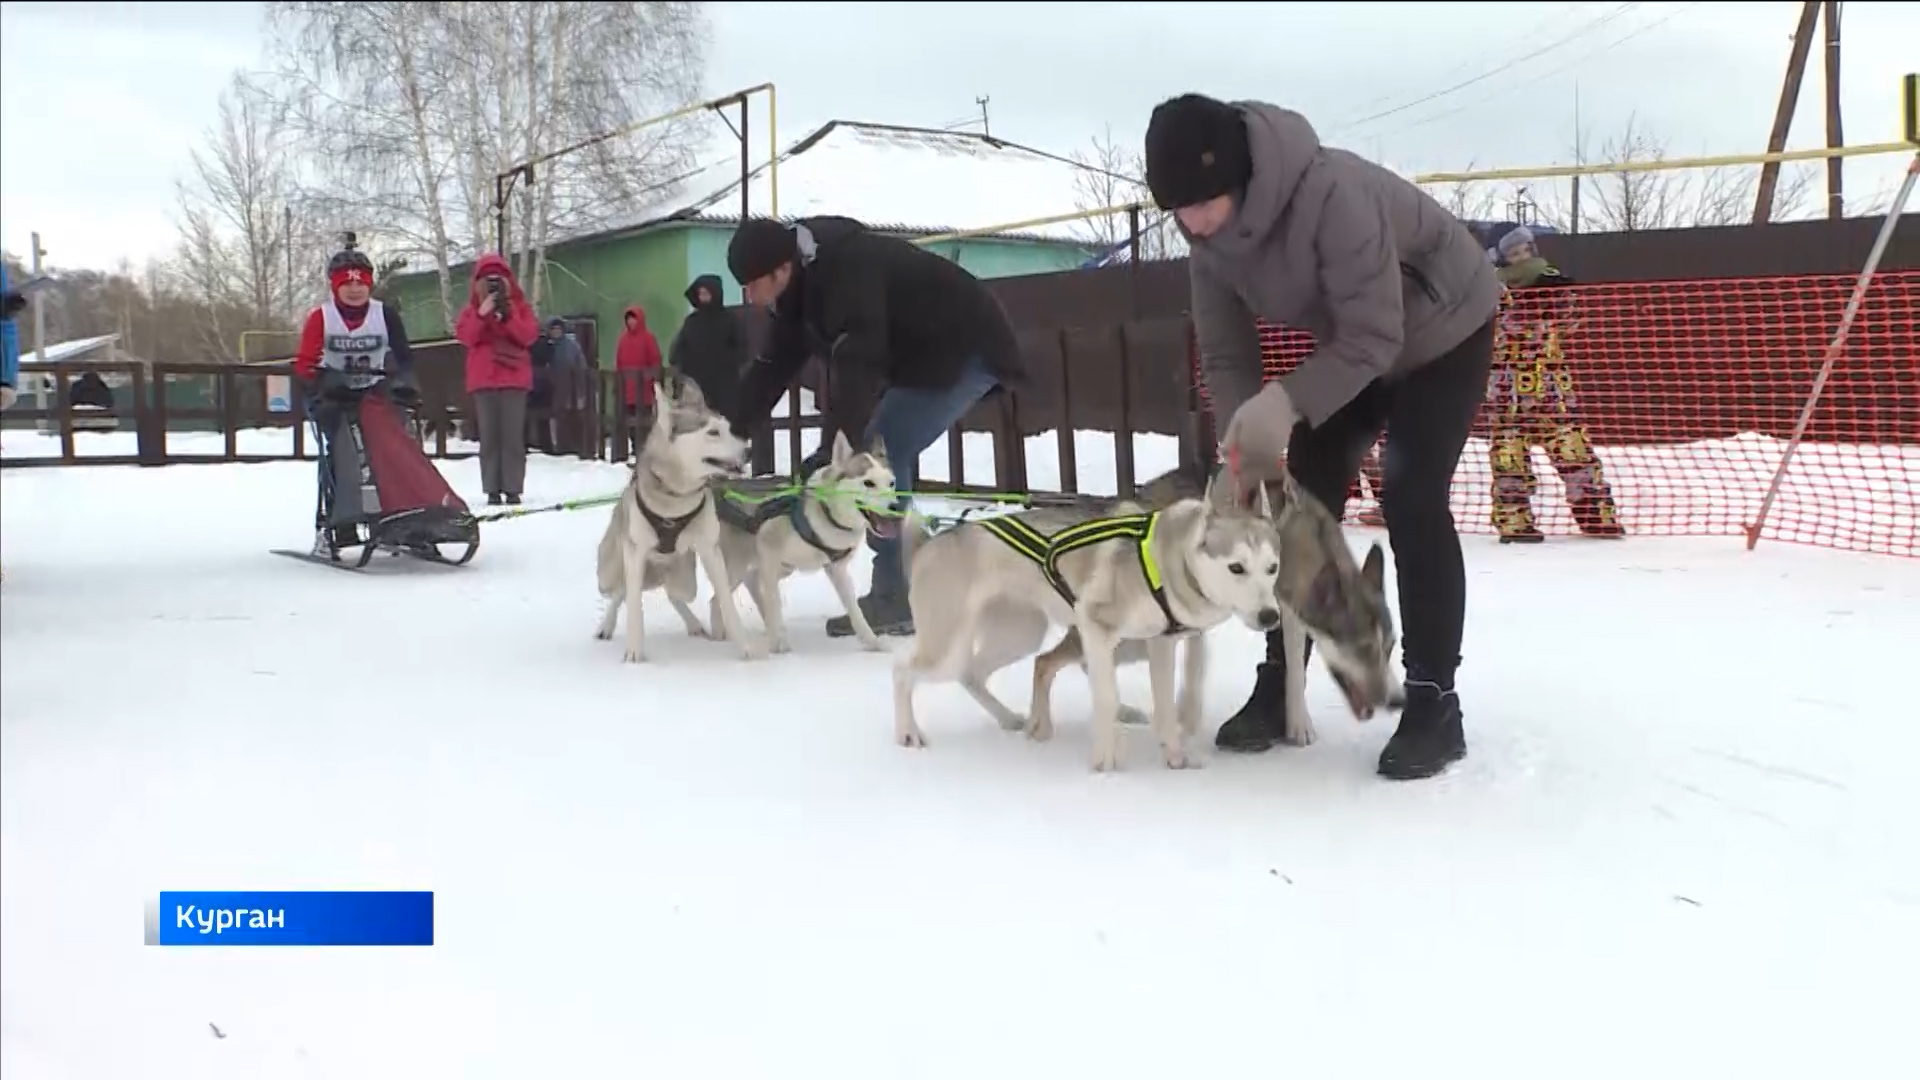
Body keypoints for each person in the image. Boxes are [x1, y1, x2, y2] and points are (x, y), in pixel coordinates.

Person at [1144, 93, 1504, 781]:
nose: (1191, 223)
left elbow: (1379, 331)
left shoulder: (1331, 194)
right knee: (1298, 501)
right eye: (1177, 210)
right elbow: (1225, 356)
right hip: (1358, 345)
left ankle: (1434, 699)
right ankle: (1284, 684)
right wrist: (1242, 444)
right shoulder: (1206, 243)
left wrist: (1284, 404)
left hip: (1444, 328)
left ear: (1241, 179)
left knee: (1411, 493)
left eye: (1201, 202)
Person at [723, 214, 1024, 638]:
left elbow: (858, 365)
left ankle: (894, 595)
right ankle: (910, 581)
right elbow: (771, 370)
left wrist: (835, 452)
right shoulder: (795, 298)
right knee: (882, 445)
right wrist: (725, 434)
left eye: (753, 284)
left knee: (885, 447)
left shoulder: (845, 269)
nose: (748, 295)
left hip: (965, 343)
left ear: (782, 269)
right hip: (920, 358)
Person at [1486, 225, 1623, 543]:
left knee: (1574, 448)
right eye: (1514, 253)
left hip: (1551, 386)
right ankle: (1513, 519)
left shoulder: (1548, 278)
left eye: (1525, 250)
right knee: (1509, 455)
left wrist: (1558, 299)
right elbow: (1492, 333)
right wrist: (1520, 311)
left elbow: (1571, 322)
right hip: (1508, 390)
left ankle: (1595, 513)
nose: (1522, 258)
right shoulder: (1490, 290)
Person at [292, 243, 419, 557]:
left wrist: (404, 381)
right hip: (332, 395)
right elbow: (305, 364)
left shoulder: (384, 315)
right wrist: (322, 380)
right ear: (335, 286)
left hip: (374, 391)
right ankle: (332, 524)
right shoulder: (321, 318)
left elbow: (403, 357)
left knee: (393, 451)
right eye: (346, 283)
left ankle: (396, 519)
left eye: (360, 282)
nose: (354, 289)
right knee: (340, 453)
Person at [454, 253, 540, 506]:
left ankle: (513, 488)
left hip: (513, 379)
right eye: (486, 279)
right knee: (489, 438)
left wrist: (508, 315)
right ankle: (492, 488)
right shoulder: (471, 310)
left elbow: (528, 336)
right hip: (484, 381)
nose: (492, 284)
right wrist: (483, 314)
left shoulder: (520, 307)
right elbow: (467, 337)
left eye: (498, 279)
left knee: (512, 437)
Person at [669, 273, 749, 421]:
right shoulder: (691, 322)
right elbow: (678, 349)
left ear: (715, 293)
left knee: (723, 430)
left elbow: (742, 349)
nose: (703, 296)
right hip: (696, 388)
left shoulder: (729, 320)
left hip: (724, 387)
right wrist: (681, 366)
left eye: (707, 292)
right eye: (700, 293)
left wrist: (729, 364)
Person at [614, 305, 663, 458]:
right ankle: (635, 448)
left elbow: (655, 360)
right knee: (630, 423)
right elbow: (619, 362)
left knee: (645, 421)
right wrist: (619, 382)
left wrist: (650, 379)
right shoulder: (623, 340)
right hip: (627, 389)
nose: (631, 322)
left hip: (644, 389)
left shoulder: (648, 338)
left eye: (634, 319)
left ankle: (645, 450)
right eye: (629, 319)